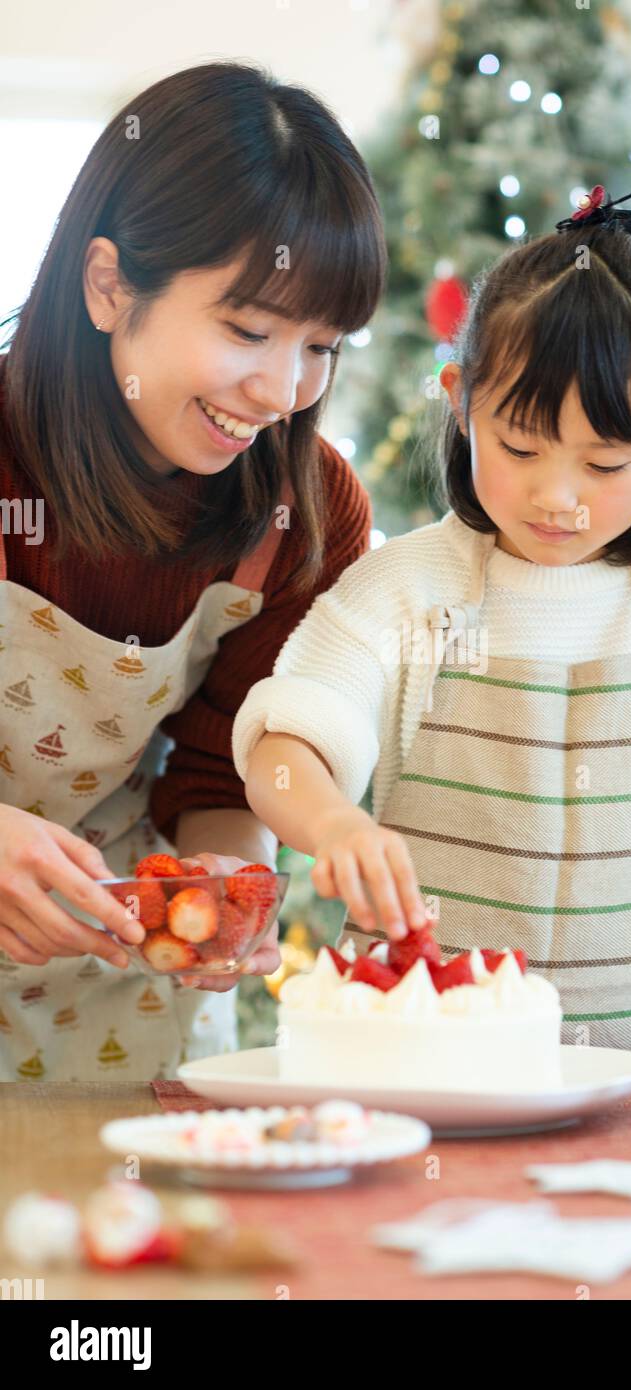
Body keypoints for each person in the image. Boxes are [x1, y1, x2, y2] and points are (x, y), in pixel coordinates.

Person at [233, 187, 631, 1066]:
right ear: (459, 401)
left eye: (604, 462)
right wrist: (334, 824)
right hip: (427, 1068)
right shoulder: (410, 583)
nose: (557, 497)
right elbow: (285, 741)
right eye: (517, 448)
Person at [0, 61, 386, 1081]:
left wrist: (231, 882)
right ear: (108, 284)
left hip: (118, 998)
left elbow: (220, 771)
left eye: (322, 347)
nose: (283, 391)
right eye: (249, 330)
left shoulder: (306, 514)